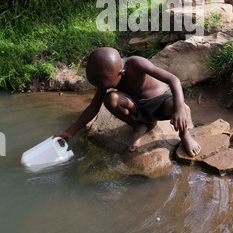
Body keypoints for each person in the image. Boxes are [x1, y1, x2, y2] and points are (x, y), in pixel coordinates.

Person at [54, 47, 201, 157]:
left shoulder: (137, 64)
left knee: (175, 105)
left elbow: (173, 79)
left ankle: (184, 135)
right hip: (136, 107)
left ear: (121, 73)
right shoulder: (108, 76)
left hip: (160, 103)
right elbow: (93, 108)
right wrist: (70, 132)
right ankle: (139, 126)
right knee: (110, 98)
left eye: (108, 85)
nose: (105, 88)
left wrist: (180, 109)